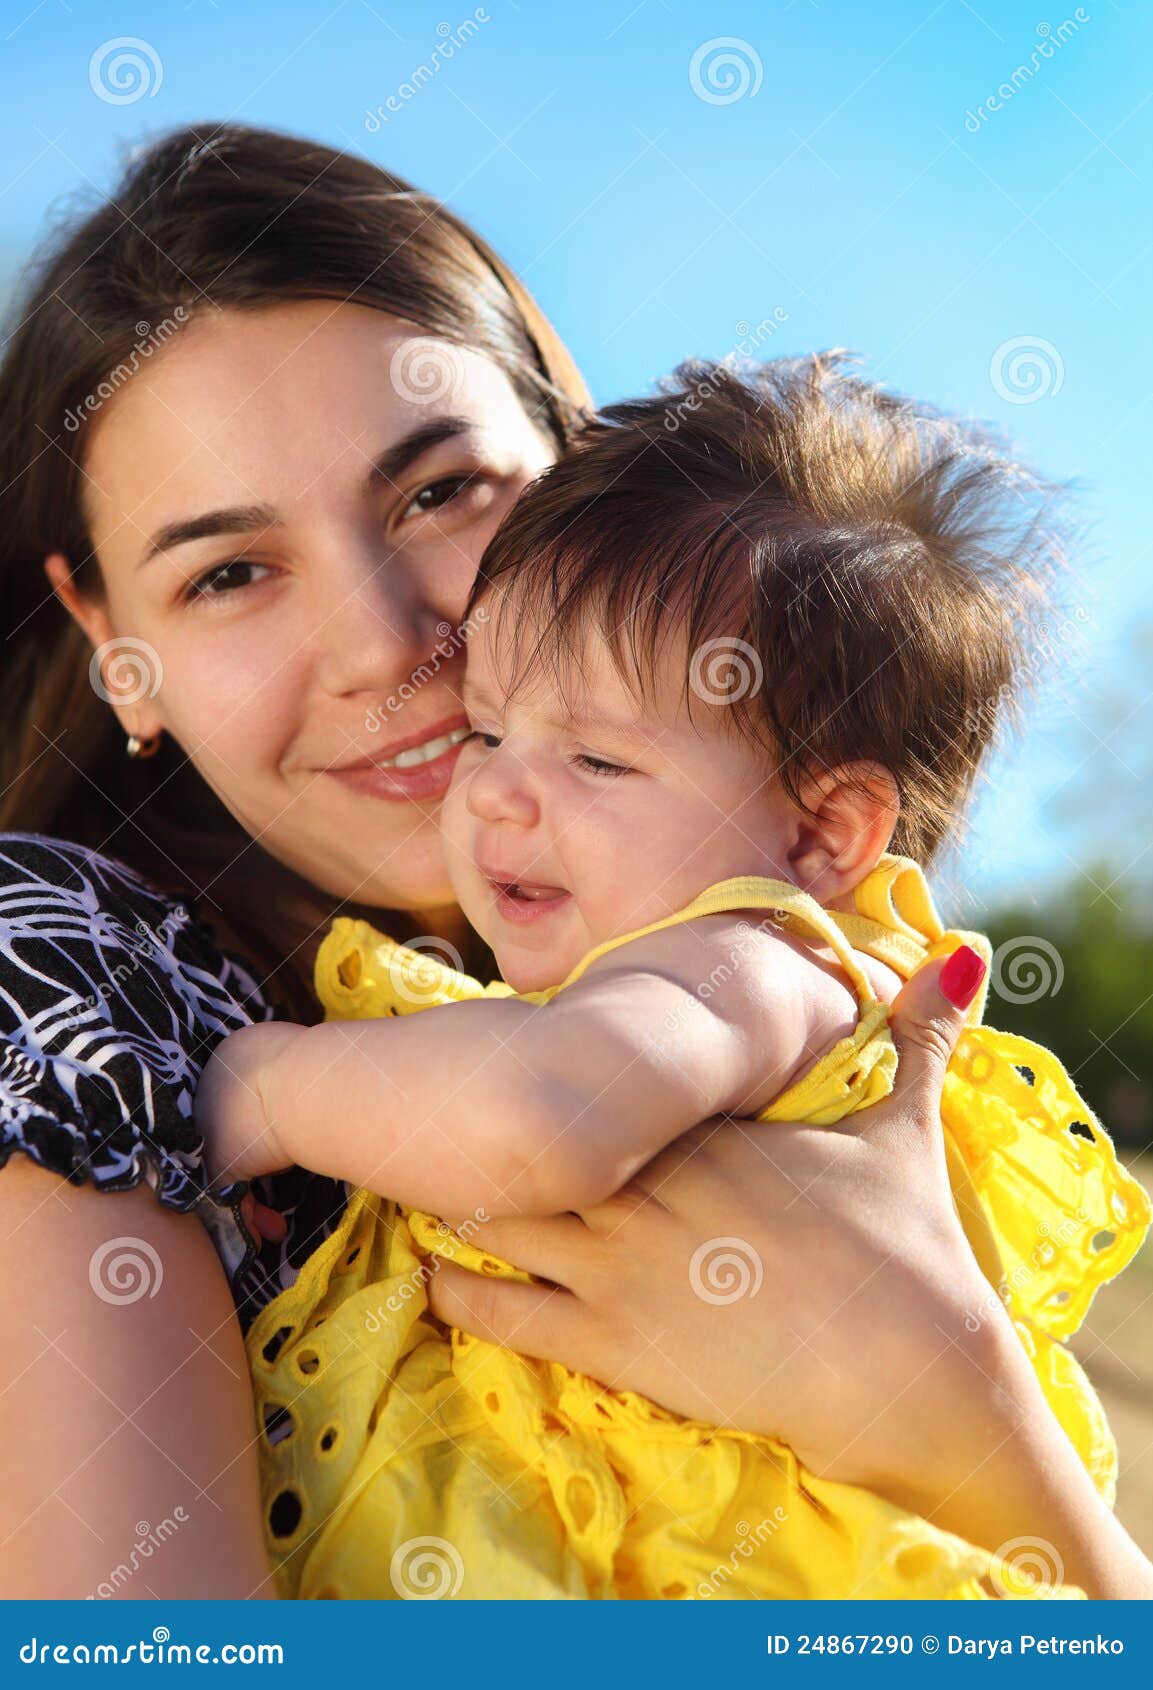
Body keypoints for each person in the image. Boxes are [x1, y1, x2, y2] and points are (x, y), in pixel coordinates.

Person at [0, 124, 1149, 1602]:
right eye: (229, 572)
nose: (387, 646)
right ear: (114, 643)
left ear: (573, 467)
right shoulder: (61, 988)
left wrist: (958, 1404)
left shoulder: (742, 956)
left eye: (438, 493)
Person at [199, 358, 1150, 1598]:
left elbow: (539, 1112)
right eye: (487, 729)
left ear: (821, 836)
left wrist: (267, 1088)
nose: (493, 791)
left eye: (595, 758)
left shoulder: (759, 956)